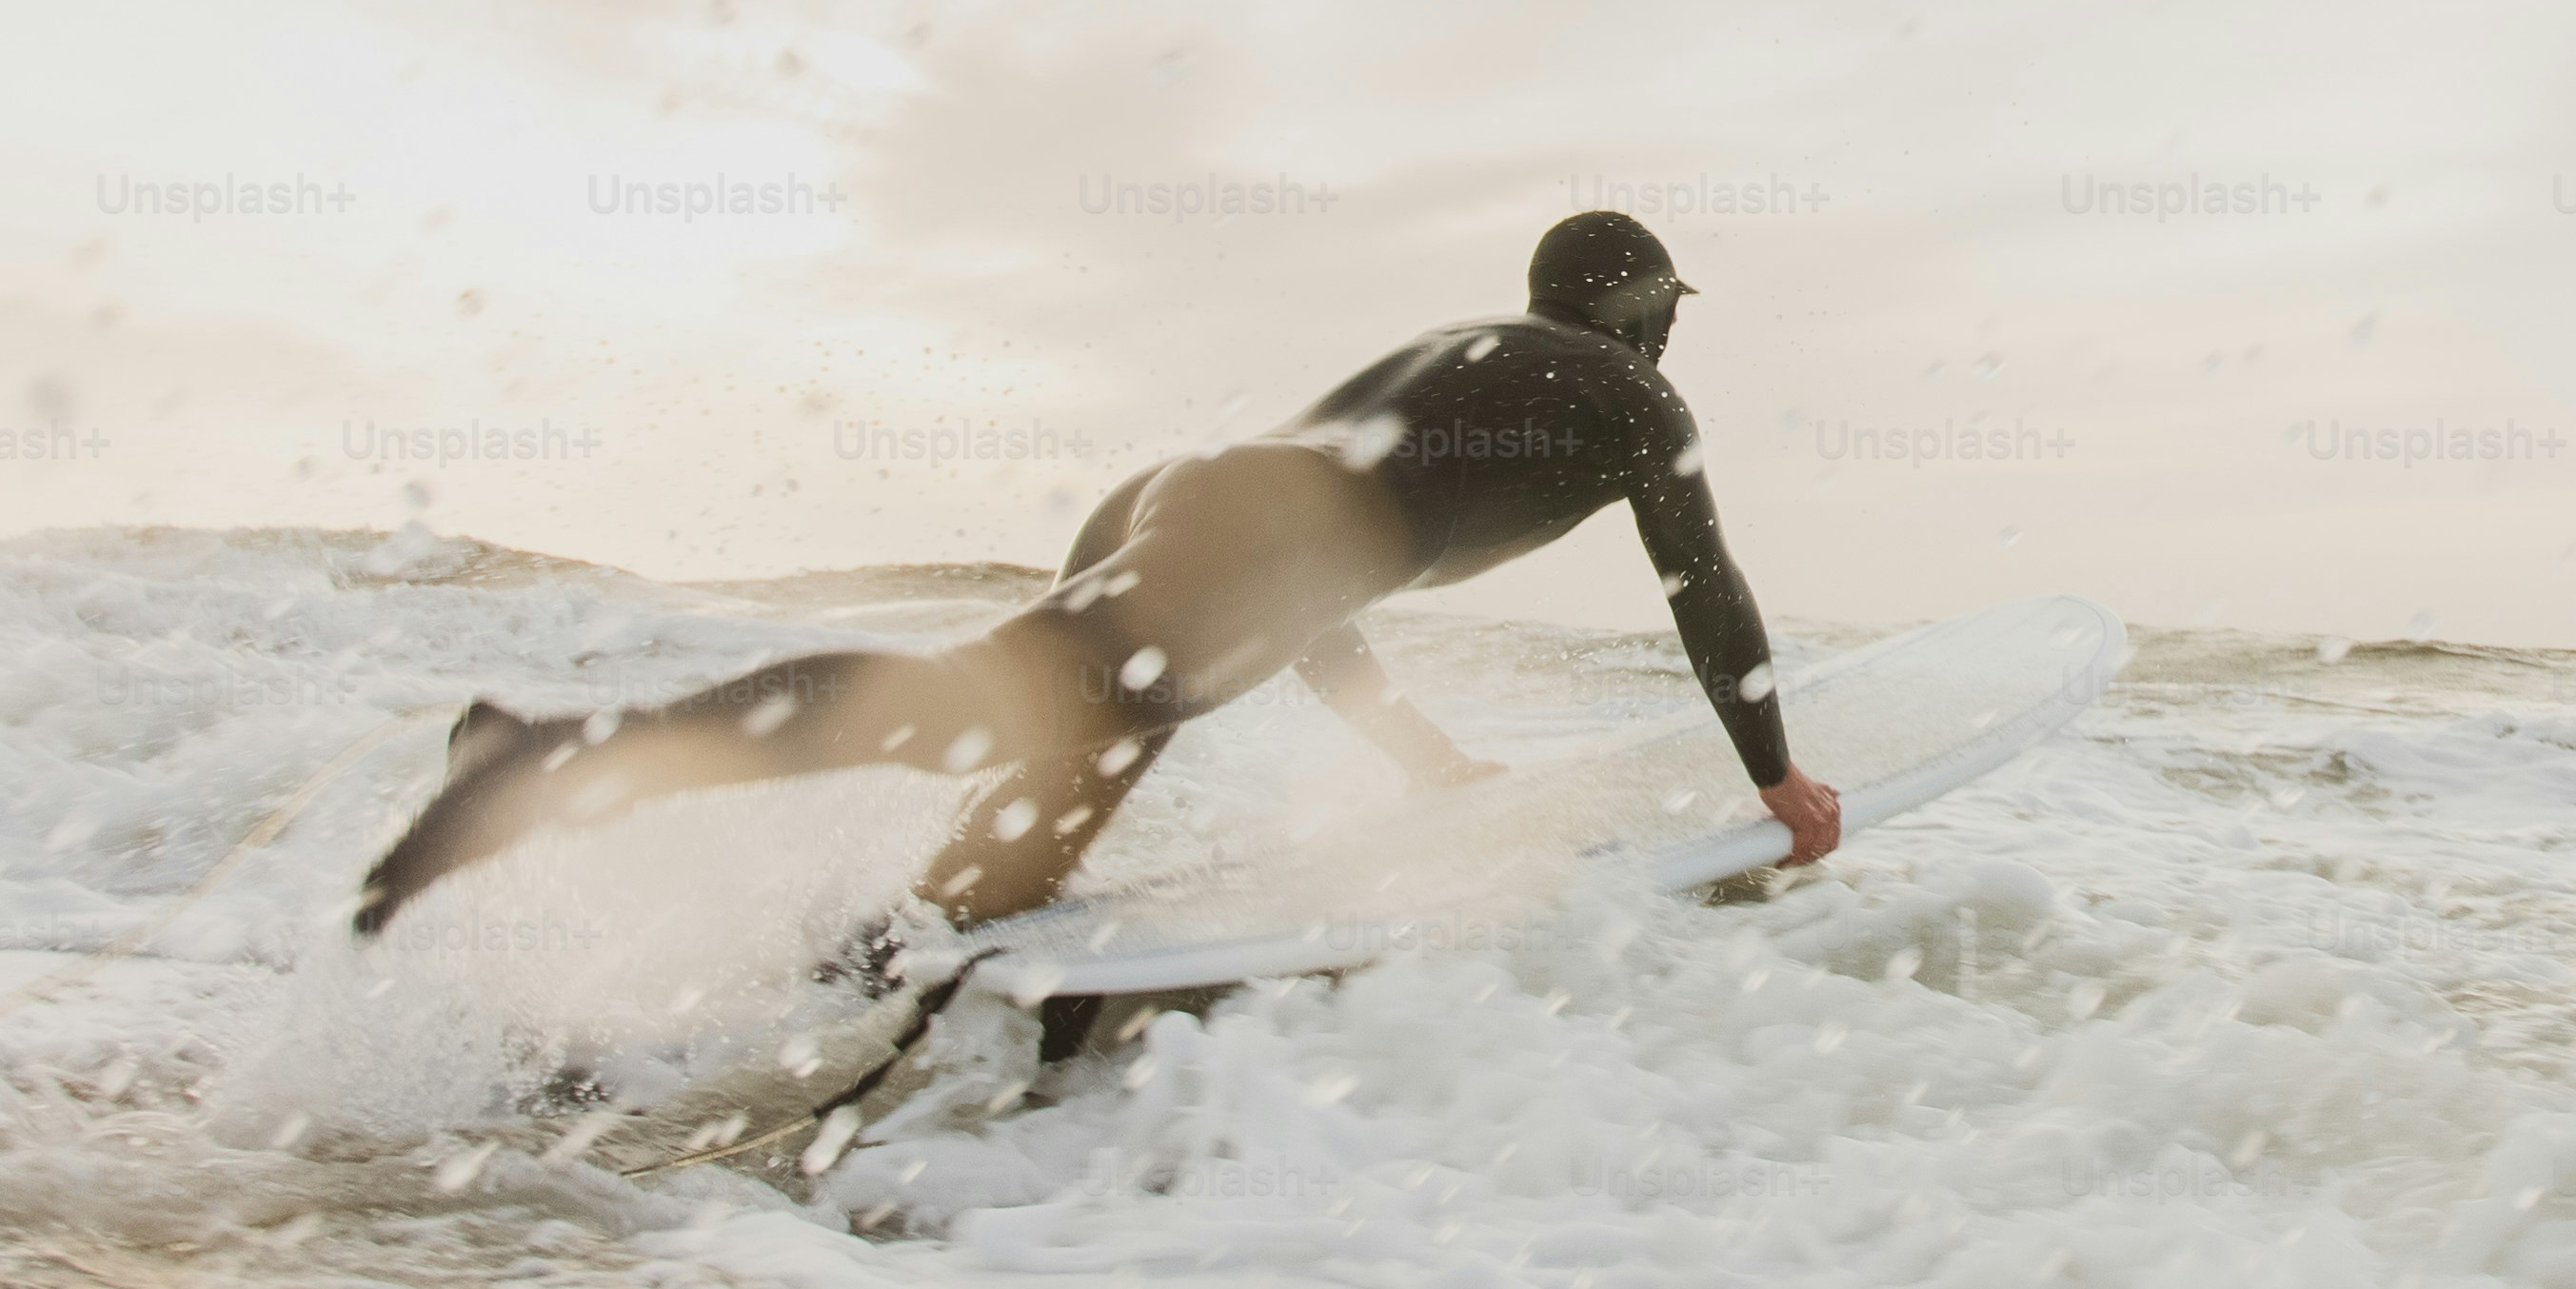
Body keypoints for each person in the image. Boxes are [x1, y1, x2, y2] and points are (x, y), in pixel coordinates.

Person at [349, 212, 1840, 960]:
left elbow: (1324, 569)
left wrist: (1420, 755)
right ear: (1637, 306)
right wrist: (1775, 779)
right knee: (958, 713)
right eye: (1663, 309)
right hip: (1261, 537)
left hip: (1220, 507)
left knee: (1061, 770)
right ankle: (543, 758)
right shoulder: (1627, 398)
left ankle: (911, 952)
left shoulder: (1470, 358)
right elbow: (1700, 584)